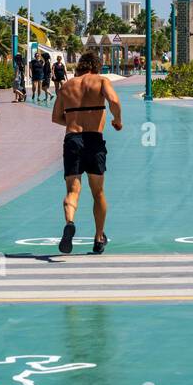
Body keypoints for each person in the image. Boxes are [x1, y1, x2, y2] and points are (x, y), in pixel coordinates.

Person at [51, 49, 122, 255]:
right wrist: (117, 120)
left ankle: (70, 223)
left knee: (72, 191)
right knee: (97, 192)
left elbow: (56, 117)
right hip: (94, 139)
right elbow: (115, 102)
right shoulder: (100, 81)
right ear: (96, 67)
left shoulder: (66, 86)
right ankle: (99, 237)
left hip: (72, 139)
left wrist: (73, 121)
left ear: (81, 66)